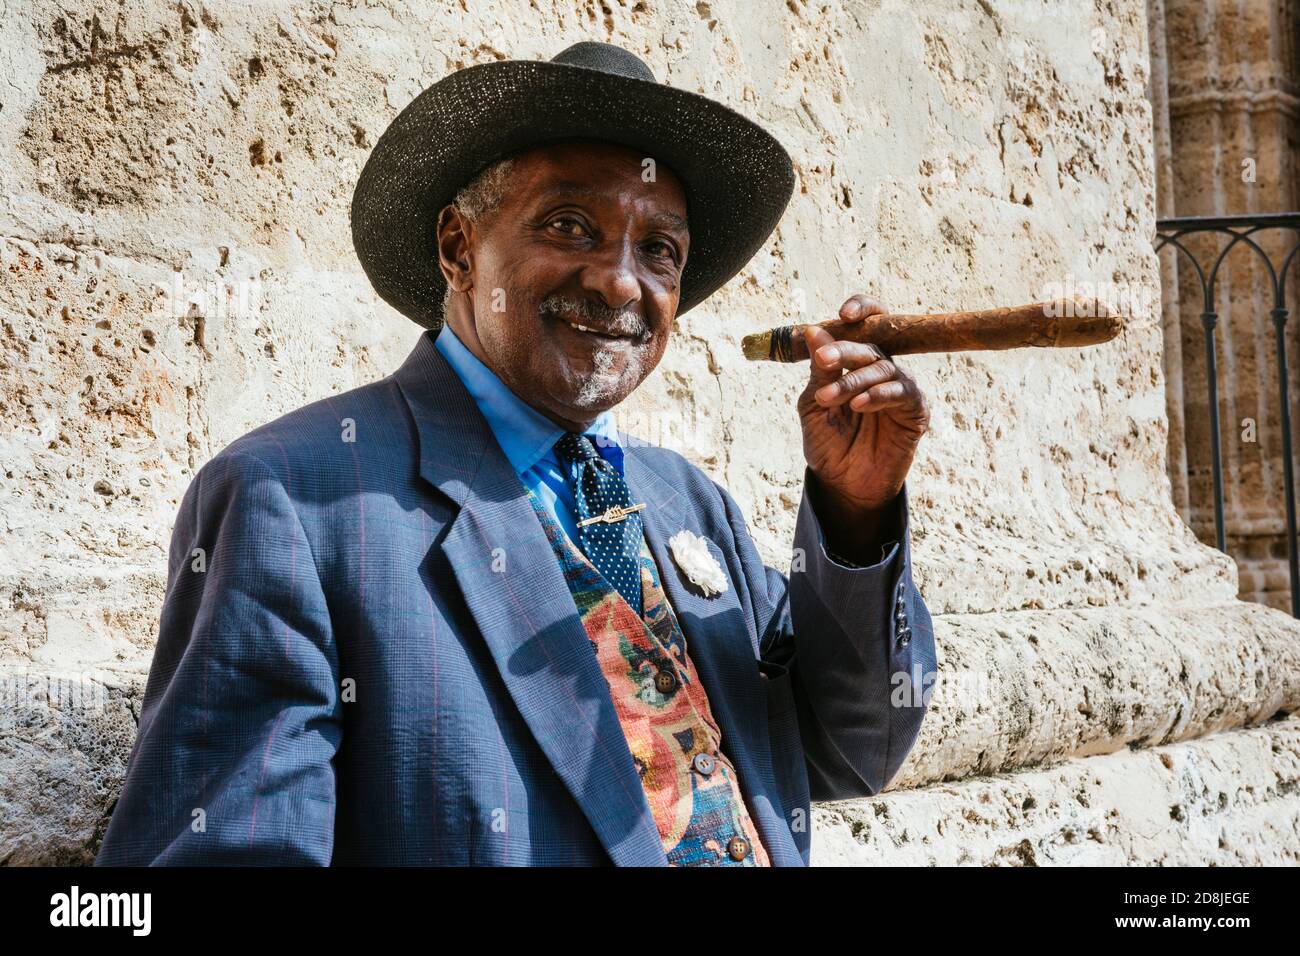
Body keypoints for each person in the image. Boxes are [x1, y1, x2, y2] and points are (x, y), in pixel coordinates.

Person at [96, 40, 936, 867]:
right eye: (571, 226)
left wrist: (856, 513)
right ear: (460, 250)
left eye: (659, 250)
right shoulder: (295, 499)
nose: (619, 281)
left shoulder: (688, 503)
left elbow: (850, 752)